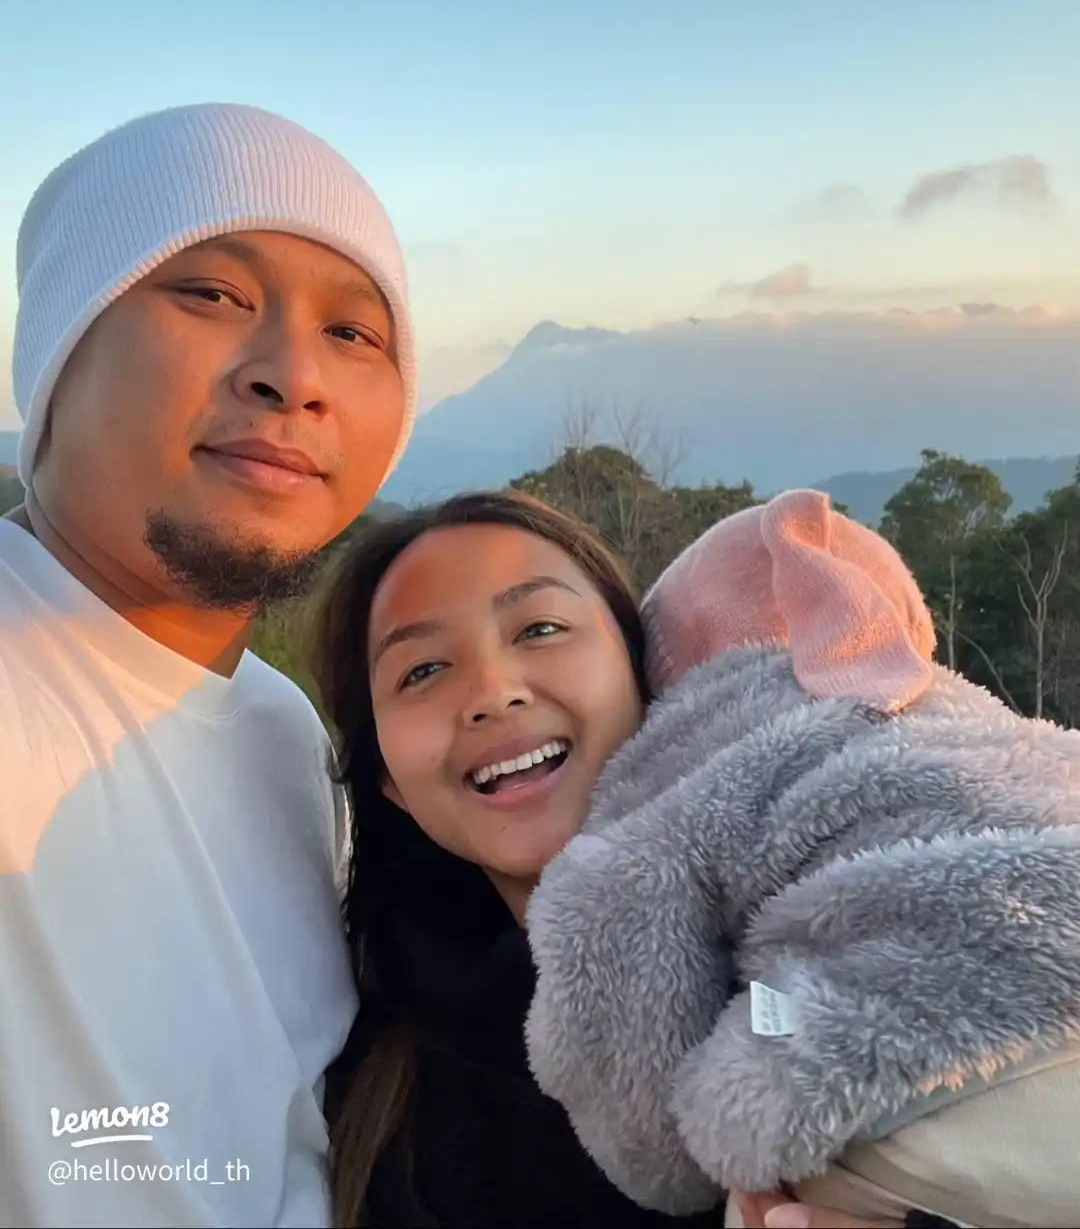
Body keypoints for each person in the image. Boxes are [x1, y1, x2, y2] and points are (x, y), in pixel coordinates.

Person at [311, 488, 948, 1229]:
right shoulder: (380, 1094)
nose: (491, 693)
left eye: (540, 627)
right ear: (389, 778)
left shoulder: (849, 949)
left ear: (644, 675)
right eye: (421, 671)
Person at [1, 103, 416, 1228]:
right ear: (58, 349)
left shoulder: (289, 739)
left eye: (354, 334)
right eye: (211, 294)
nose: (294, 378)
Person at [528, 490, 1080, 1229]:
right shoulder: (987, 722)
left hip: (919, 1082)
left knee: (757, 1159)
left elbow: (611, 932)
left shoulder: (690, 750)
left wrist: (663, 1165)